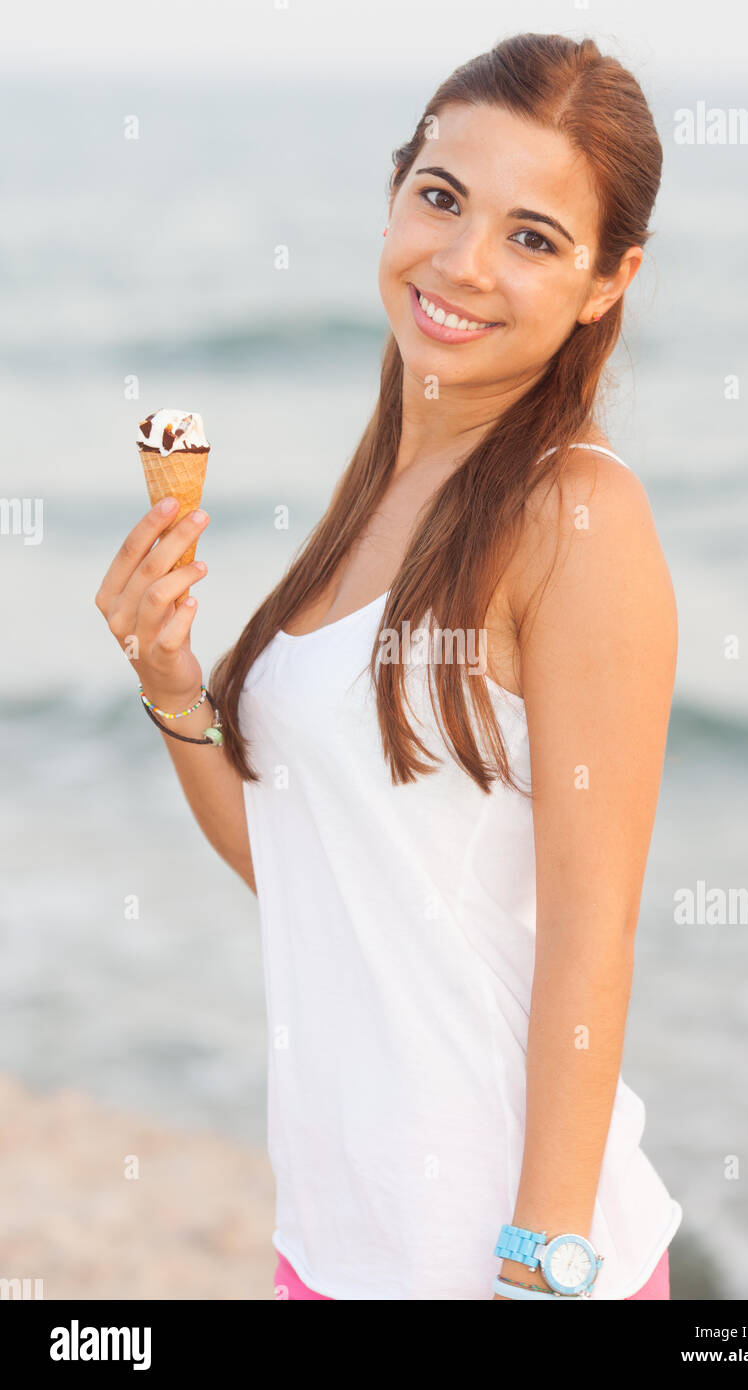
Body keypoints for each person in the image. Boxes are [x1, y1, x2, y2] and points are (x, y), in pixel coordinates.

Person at [95, 32, 682, 1300]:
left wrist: (540, 1259)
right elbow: (304, 869)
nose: (461, 262)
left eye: (532, 236)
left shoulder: (575, 516)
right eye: (441, 196)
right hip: (334, 1237)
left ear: (603, 280)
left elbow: (594, 929)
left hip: (504, 1255)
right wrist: (169, 680)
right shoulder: (382, 493)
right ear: (395, 192)